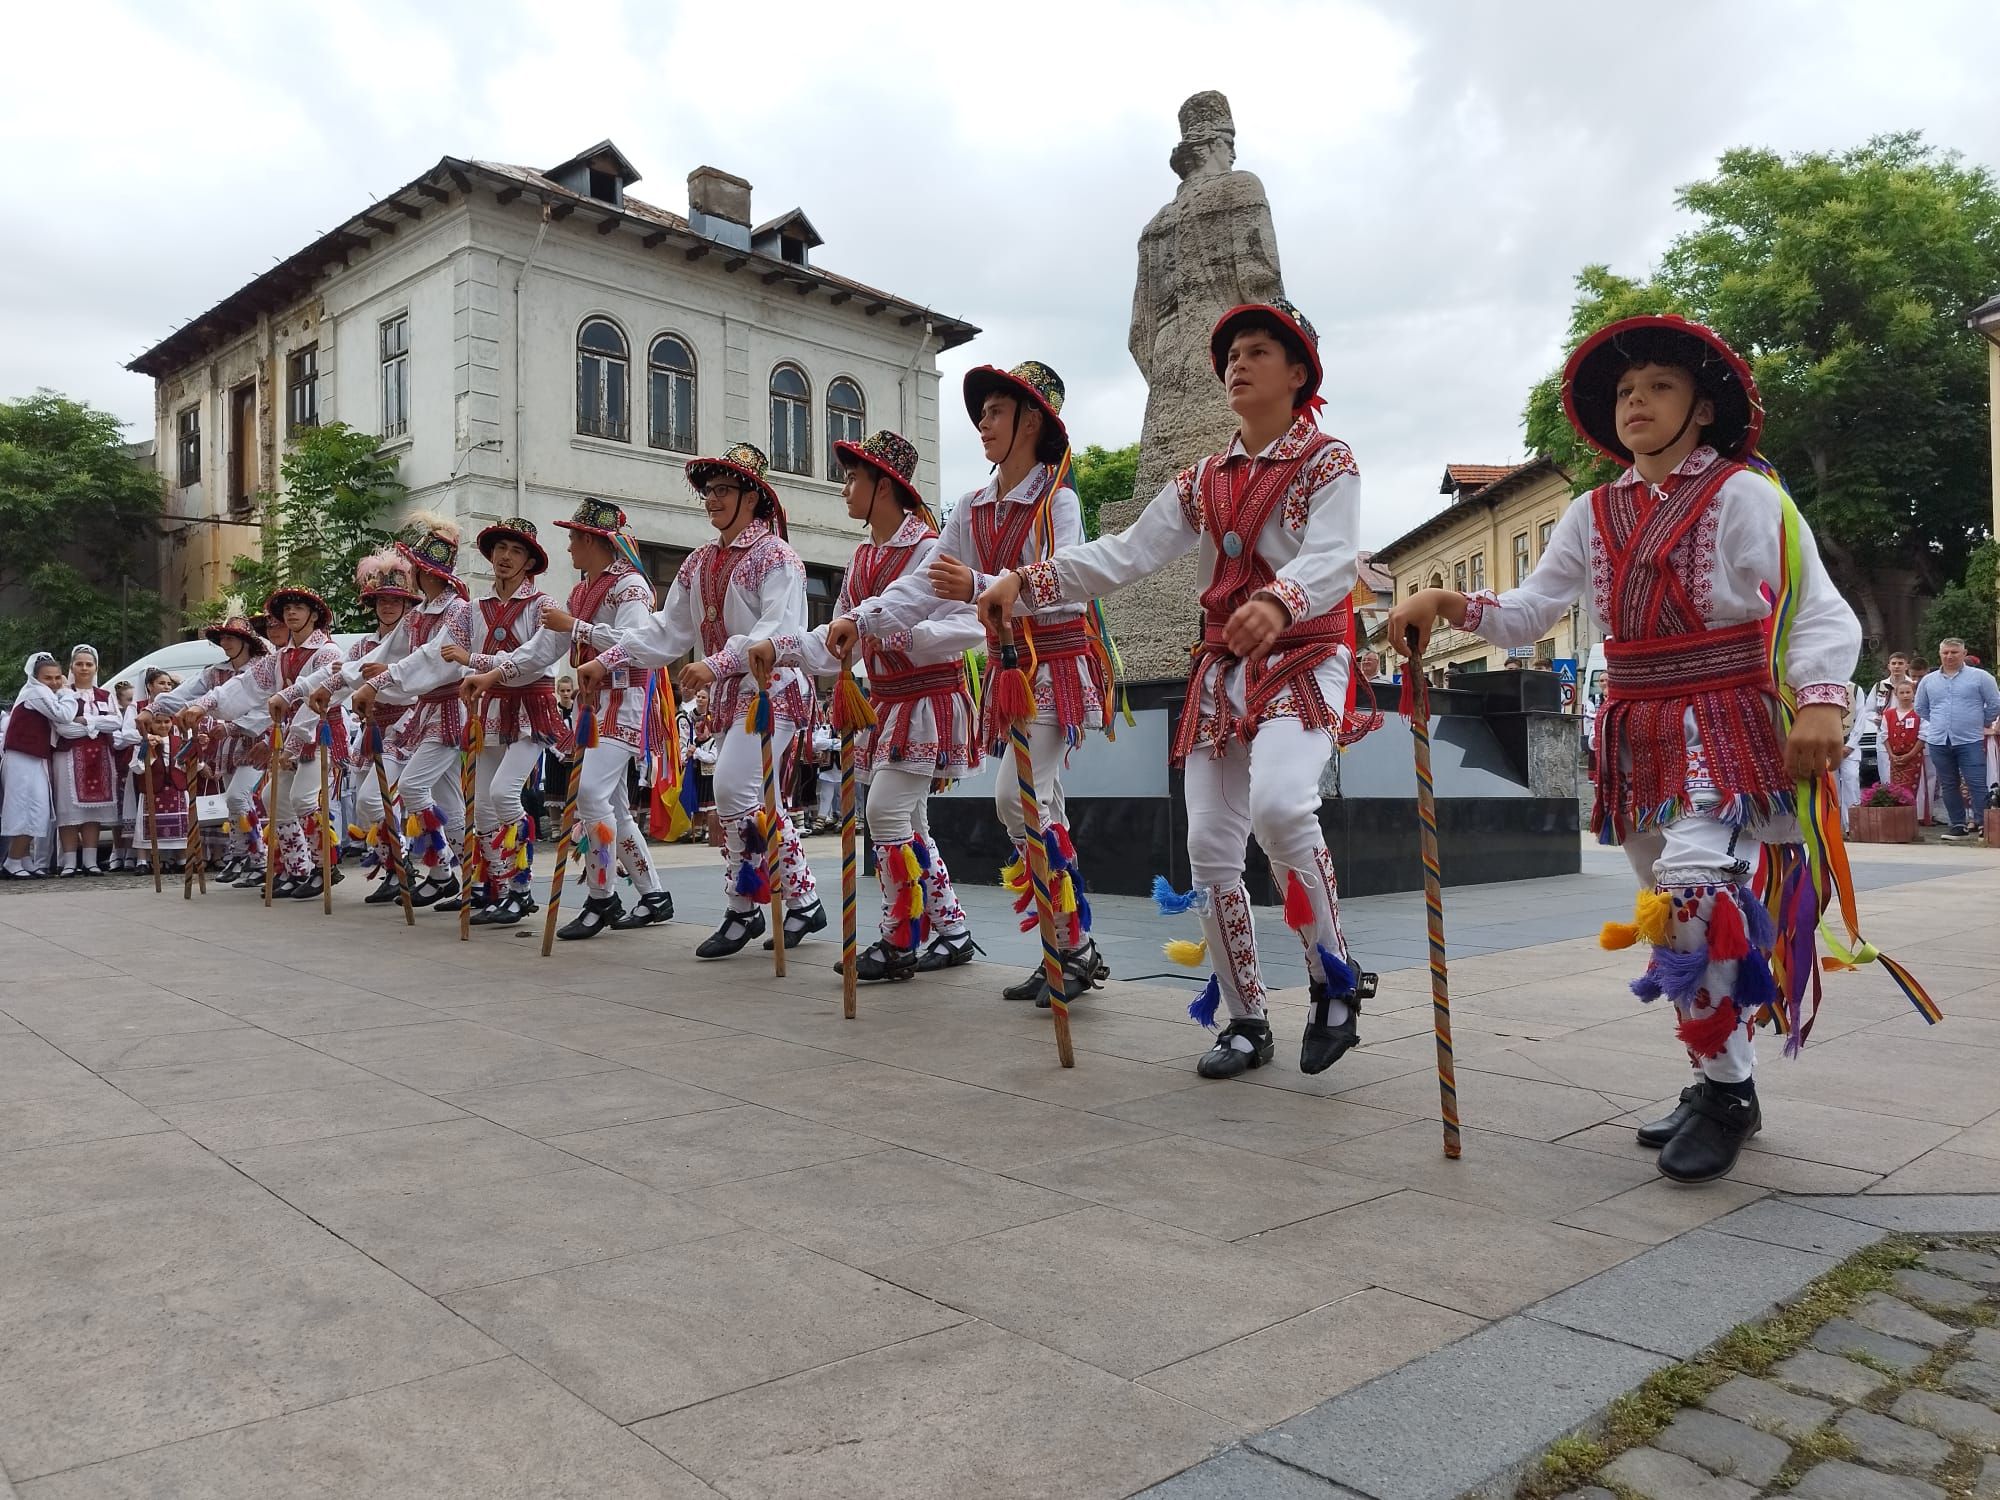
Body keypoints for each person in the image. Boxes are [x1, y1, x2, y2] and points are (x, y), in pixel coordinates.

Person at [1389, 313, 1861, 1184]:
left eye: (1660, 387)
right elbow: (1532, 612)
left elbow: (1818, 605)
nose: (1637, 402)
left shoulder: (1745, 495)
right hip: (1637, 728)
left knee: (1694, 892)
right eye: (1625, 391)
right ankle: (1721, 1077)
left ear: (1704, 410)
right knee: (1666, 910)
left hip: (1725, 722)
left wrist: (1823, 701)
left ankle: (1723, 1094)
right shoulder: (1589, 511)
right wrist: (1449, 606)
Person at [981, 299, 1370, 1070]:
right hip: (1222, 671)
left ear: (1299, 375)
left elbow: (1331, 560)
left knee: (1283, 806)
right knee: (1208, 846)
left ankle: (1334, 978)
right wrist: (1025, 582)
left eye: (1258, 350)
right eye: (1231, 353)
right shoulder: (1202, 480)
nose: (1238, 363)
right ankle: (1246, 1017)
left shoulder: (1329, 461)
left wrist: (1276, 600)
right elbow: (1125, 553)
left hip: (1301, 660)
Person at [541, 453, 825, 955]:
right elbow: (665, 630)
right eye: (708, 490)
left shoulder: (778, 557)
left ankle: (743, 909)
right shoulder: (698, 562)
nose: (712, 499)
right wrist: (606, 660)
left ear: (752, 496)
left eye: (723, 490)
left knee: (737, 791)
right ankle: (801, 899)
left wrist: (714, 664)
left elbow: (777, 631)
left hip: (771, 690)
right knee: (756, 802)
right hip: (732, 696)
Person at [909, 360, 1113, 1006]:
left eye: (995, 412)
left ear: (1031, 421)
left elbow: (1060, 589)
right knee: (1038, 805)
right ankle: (1069, 946)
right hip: (1011, 674)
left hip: (1055, 665)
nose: (982, 425)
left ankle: (1071, 946)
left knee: (1017, 801)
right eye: (982, 413)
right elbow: (930, 577)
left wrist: (975, 587)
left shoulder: (1061, 501)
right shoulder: (972, 508)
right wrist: (866, 623)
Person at [752, 428, 984, 981]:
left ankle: (899, 938)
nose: (844, 489)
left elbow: (969, 626)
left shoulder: (932, 548)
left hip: (927, 699)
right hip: (886, 704)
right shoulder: (859, 560)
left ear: (885, 486)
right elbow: (835, 647)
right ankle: (951, 929)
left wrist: (899, 636)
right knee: (911, 822)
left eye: (853, 477)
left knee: (884, 813)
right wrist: (776, 650)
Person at [463, 498, 670, 940]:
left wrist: (576, 628)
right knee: (611, 805)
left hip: (626, 699)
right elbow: (541, 651)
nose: (570, 545)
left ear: (597, 541)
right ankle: (654, 895)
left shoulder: (630, 585)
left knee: (591, 796)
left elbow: (638, 641)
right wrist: (494, 674)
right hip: (591, 707)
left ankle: (602, 898)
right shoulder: (580, 591)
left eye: (576, 536)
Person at [435, 518, 567, 926]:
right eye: (500, 549)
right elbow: (441, 651)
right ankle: (496, 885)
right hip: (490, 708)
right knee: (486, 808)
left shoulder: (545, 607)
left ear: (530, 562)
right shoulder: (472, 609)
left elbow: (534, 660)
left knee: (506, 792)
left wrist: (475, 661)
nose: (505, 557)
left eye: (515, 551)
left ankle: (522, 890)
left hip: (532, 706)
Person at [340, 515, 474, 907]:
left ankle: (457, 874)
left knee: (415, 788)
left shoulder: (458, 611)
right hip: (423, 715)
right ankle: (458, 877)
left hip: (447, 712)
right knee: (447, 802)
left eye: (414, 568)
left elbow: (431, 659)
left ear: (427, 572)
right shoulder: (418, 615)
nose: (410, 573)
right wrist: (333, 685)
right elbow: (386, 655)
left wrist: (378, 682)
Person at [154, 603, 272, 883]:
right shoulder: (215, 672)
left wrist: (231, 725)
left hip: (259, 741)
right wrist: (155, 707)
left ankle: (260, 858)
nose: (225, 643)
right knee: (233, 802)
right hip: (228, 745)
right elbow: (183, 694)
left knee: (237, 797)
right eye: (222, 638)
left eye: (230, 637)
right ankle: (239, 855)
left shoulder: (263, 668)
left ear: (245, 642)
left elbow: (266, 709)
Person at [1913, 637, 2000, 841]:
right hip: (1939, 740)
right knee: (1948, 784)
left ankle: (1983, 824)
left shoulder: (1981, 678)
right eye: (1945, 652)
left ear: (1964, 653)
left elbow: (1995, 703)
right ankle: (1957, 825)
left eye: (1954, 652)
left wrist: (1980, 722)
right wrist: (1938, 722)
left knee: (1976, 783)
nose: (1949, 656)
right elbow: (1920, 708)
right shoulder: (1928, 680)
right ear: (1940, 654)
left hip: (1969, 739)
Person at [51, 644, 128, 875]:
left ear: (96, 667)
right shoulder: (62, 695)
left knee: (93, 812)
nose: (84, 668)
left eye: (89, 664)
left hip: (100, 759)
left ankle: (91, 861)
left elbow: (116, 723)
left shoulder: (106, 695)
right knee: (69, 811)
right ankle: (69, 863)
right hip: (68, 758)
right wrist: (96, 726)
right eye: (79, 664)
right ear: (72, 666)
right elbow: (63, 728)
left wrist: (86, 722)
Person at [2, 654, 66, 878]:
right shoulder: (35, 692)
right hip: (23, 757)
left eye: (58, 677)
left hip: (34, 757)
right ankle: (12, 860)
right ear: (36, 678)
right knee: (26, 808)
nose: (55, 682)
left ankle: (22, 858)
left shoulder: (43, 693)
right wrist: (67, 693)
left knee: (37, 809)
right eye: (48, 678)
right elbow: (63, 715)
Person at [126, 668, 188, 873]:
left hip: (175, 787)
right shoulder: (146, 741)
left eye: (167, 722)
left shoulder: (177, 740)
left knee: (180, 824)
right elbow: (137, 766)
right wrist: (148, 747)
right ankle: (144, 860)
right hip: (154, 788)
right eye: (158, 722)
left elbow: (186, 761)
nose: (162, 725)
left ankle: (181, 859)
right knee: (146, 824)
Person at [1881, 679, 1931, 816]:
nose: (1905, 695)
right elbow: (1884, 735)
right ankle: (1899, 814)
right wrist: (1891, 755)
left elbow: (1923, 735)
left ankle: (1917, 815)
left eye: (1908, 692)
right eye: (1901, 692)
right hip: (1895, 757)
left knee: (1916, 786)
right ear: (1896, 695)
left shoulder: (1920, 713)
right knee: (1896, 787)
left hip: (1914, 757)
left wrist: (1910, 755)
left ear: (1914, 693)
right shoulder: (1888, 714)